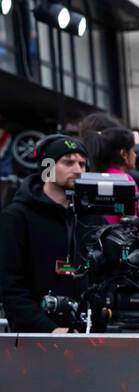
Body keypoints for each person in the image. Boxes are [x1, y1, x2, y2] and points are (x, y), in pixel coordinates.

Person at [0, 135, 91, 333]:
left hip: (87, 336)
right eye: (68, 162)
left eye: (82, 164)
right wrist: (50, 329)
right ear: (47, 167)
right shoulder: (16, 216)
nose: (78, 170)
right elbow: (10, 287)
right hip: (35, 341)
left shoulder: (89, 218)